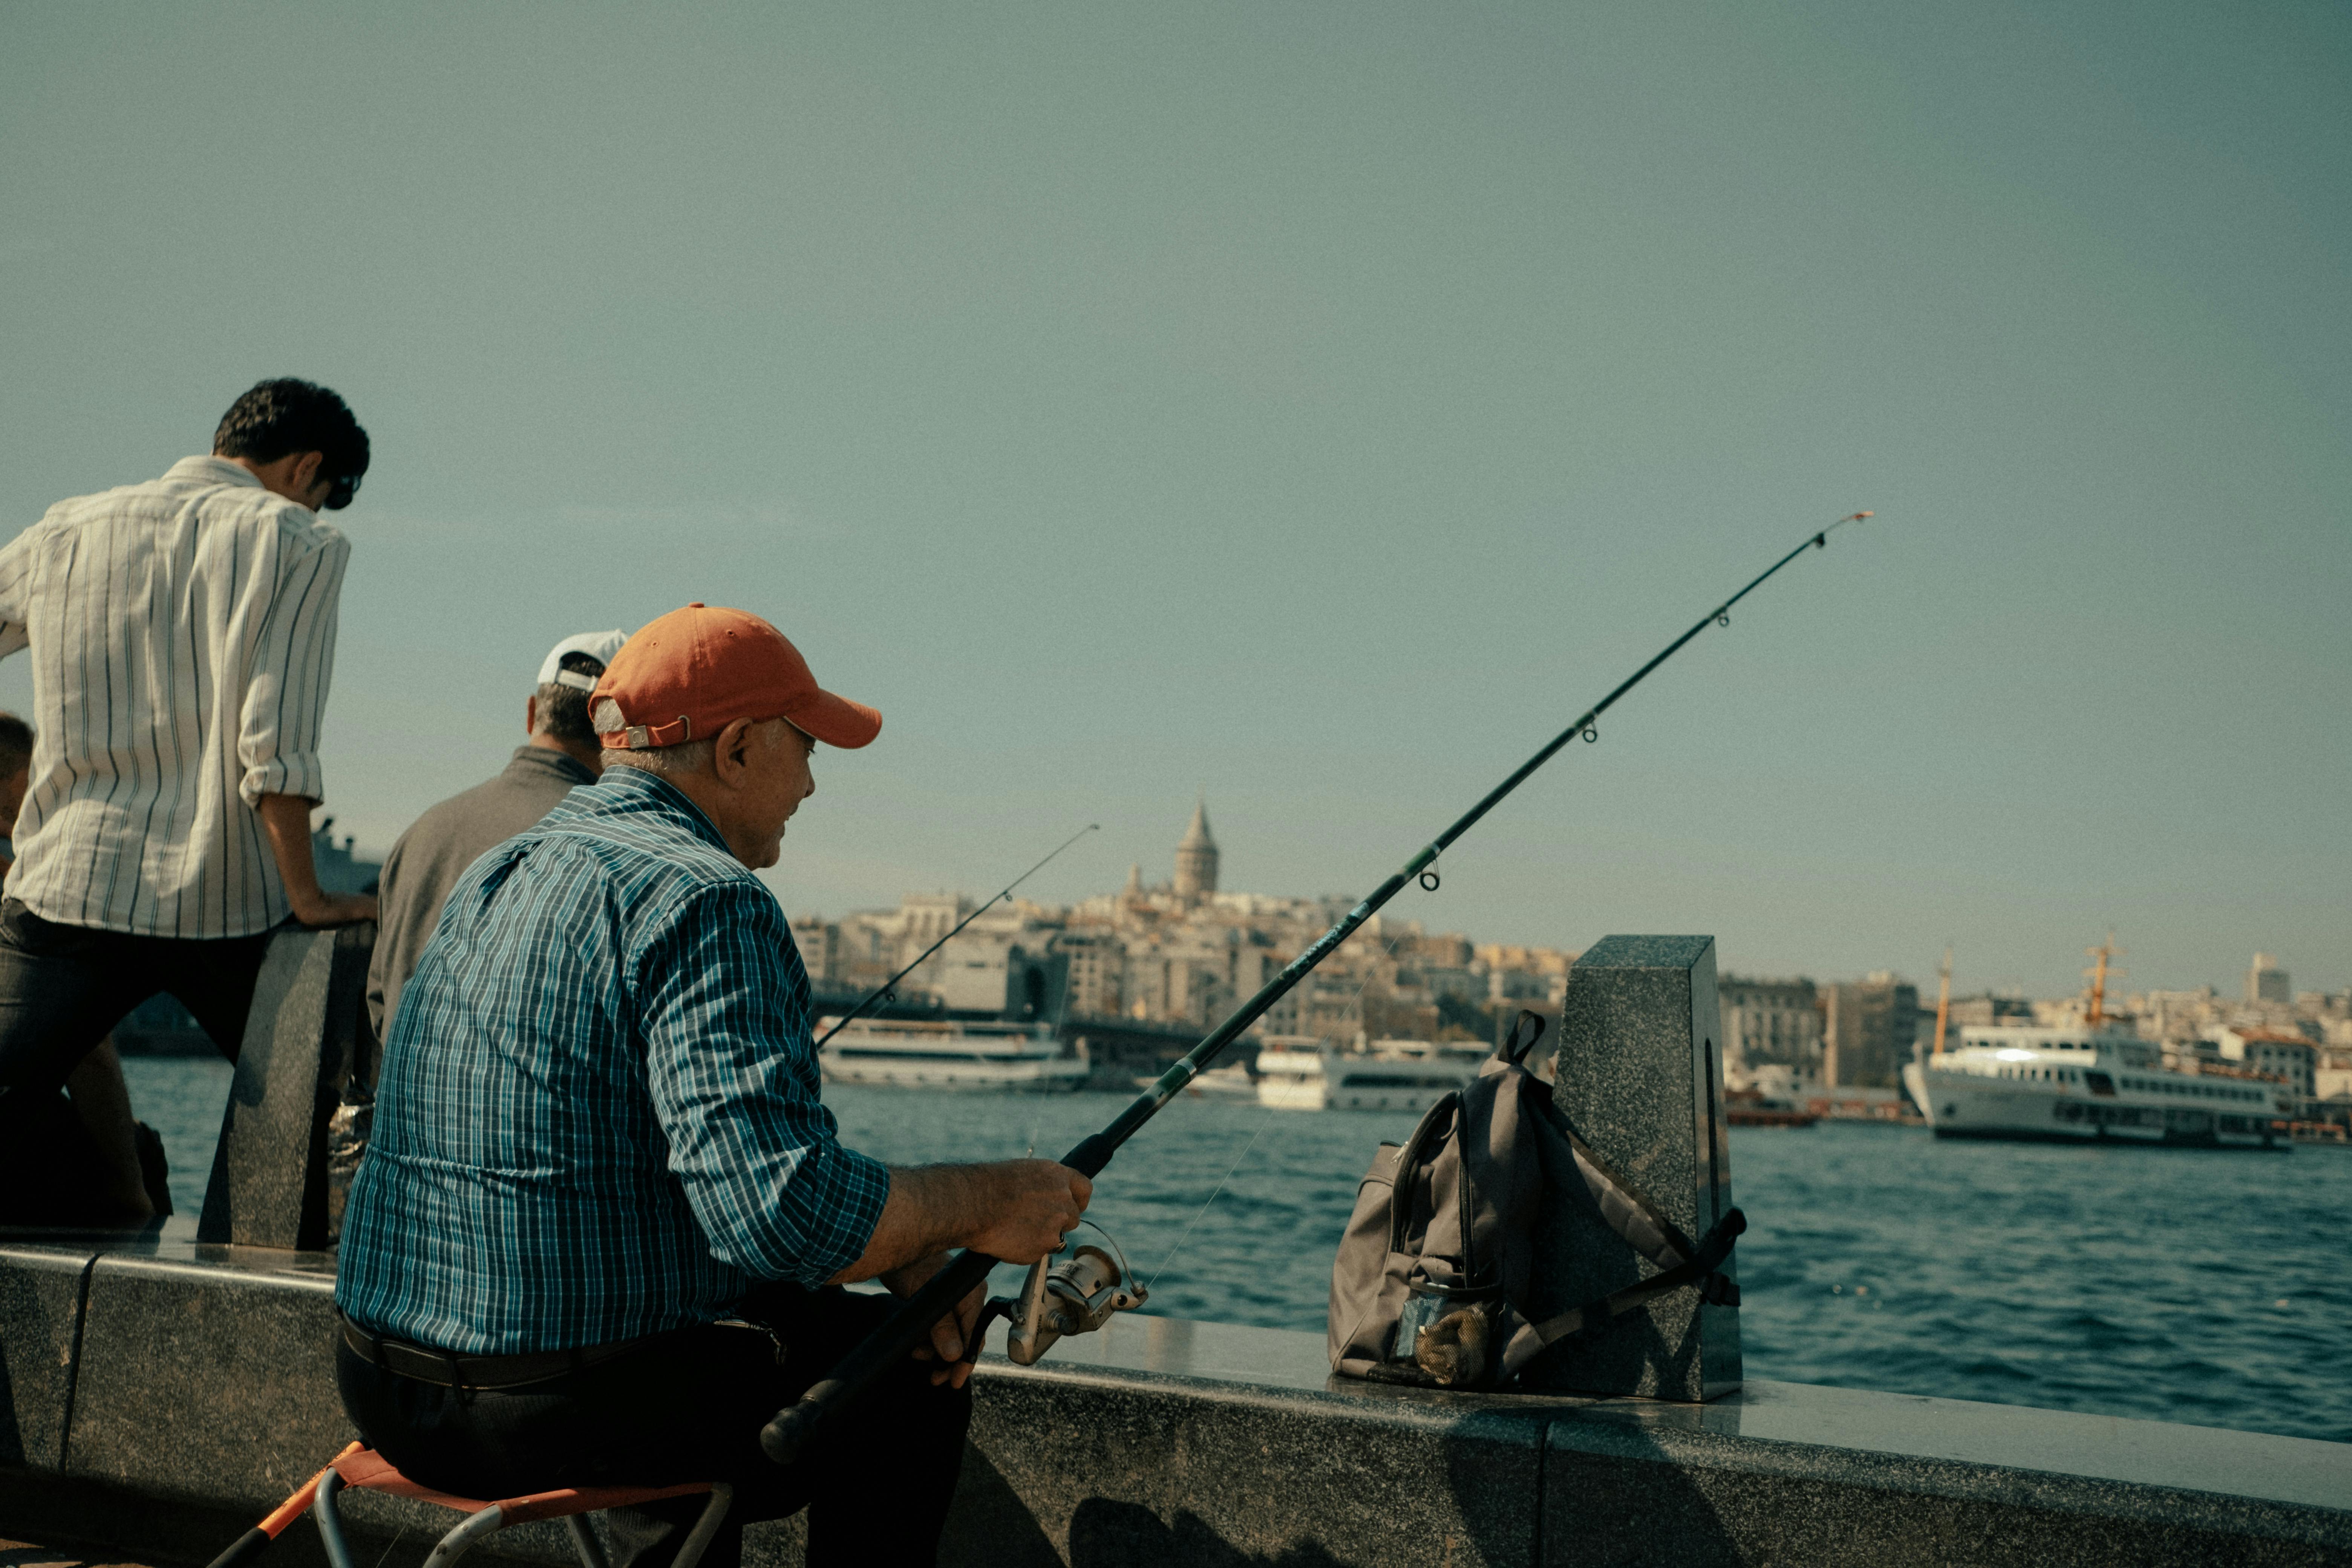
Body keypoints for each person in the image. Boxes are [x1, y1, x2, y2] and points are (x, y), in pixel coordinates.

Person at [334, 603, 1089, 1567]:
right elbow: (783, 1216)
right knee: (897, 1369)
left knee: (709, 1335)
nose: (814, 781)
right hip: (541, 1411)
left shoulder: (498, 869)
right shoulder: (708, 897)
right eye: (805, 746)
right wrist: (984, 1203)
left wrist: (904, 1241)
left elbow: (661, 1189)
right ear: (735, 749)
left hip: (383, 1385)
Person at [0, 379, 378, 1220]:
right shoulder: (299, 545)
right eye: (324, 495)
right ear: (307, 467)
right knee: (319, 1122)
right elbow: (274, 743)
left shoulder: (70, 526)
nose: (319, 510)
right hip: (221, 902)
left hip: (64, 889)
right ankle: (263, 1307)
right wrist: (310, 895)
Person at [366, 628, 629, 1040]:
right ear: (618, 736)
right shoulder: (613, 847)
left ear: (531, 713)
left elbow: (381, 1003)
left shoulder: (421, 833)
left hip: (404, 1101)